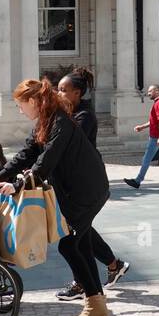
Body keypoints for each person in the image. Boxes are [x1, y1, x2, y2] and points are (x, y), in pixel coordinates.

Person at [0, 78, 113, 316]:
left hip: (87, 191)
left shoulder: (59, 121)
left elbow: (46, 161)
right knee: (81, 243)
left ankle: (95, 306)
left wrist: (16, 185)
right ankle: (97, 305)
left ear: (34, 101)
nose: (20, 110)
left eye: (20, 104)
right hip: (78, 192)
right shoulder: (47, 120)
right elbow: (27, 153)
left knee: (69, 245)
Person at [56, 67, 129, 301]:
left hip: (87, 186)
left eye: (63, 90)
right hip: (75, 186)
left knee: (72, 239)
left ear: (77, 93)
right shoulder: (69, 114)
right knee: (82, 233)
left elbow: (66, 146)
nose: (59, 94)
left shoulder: (83, 117)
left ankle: (84, 285)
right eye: (57, 90)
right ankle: (112, 266)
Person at [124, 84, 159, 190]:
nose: (148, 93)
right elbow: (154, 121)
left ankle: (138, 181)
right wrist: (142, 127)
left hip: (156, 137)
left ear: (157, 91)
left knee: (146, 159)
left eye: (150, 91)